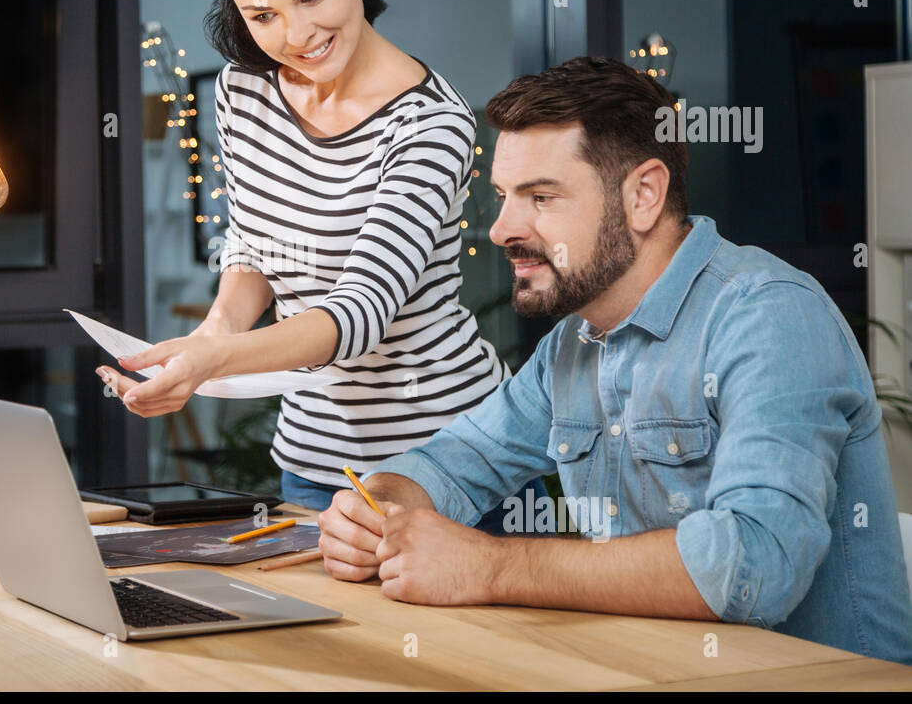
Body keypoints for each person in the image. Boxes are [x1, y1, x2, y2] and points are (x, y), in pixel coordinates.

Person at [316, 55, 912, 664]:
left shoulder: (769, 317)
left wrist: (490, 566)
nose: (500, 229)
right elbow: (456, 462)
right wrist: (376, 508)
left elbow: (756, 564)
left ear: (644, 195)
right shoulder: (575, 342)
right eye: (502, 196)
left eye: (540, 197)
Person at [96, 0, 547, 526]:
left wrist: (213, 357)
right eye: (264, 15)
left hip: (454, 460)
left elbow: (360, 314)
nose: (299, 34)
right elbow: (250, 246)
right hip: (313, 462)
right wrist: (203, 349)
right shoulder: (242, 93)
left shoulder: (432, 125)